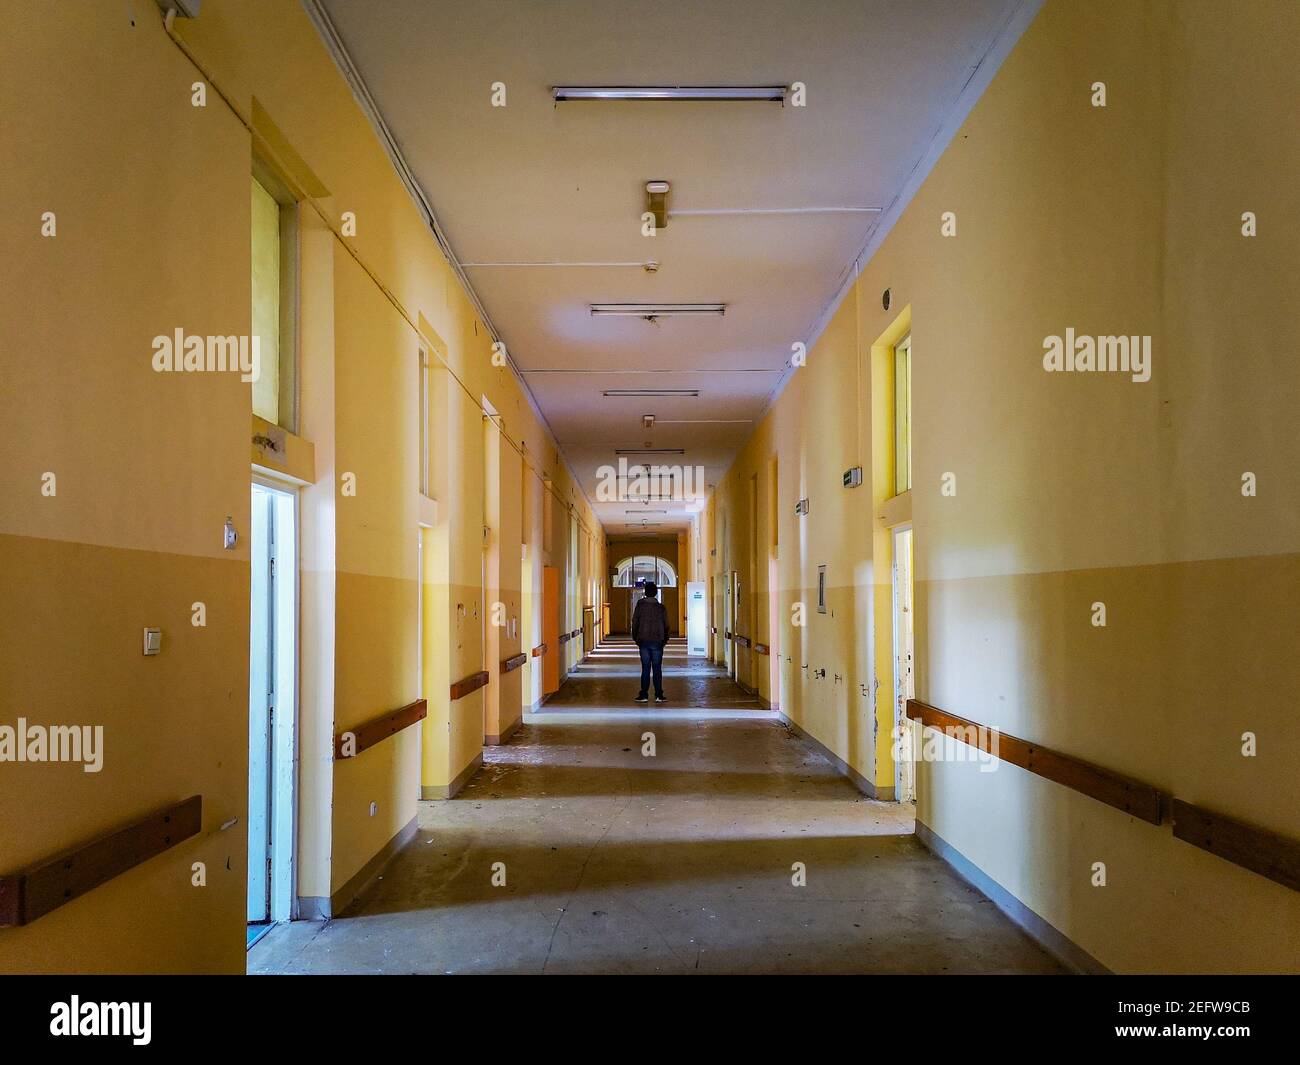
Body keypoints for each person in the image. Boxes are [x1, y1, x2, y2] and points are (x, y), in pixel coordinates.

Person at [631, 580, 669, 703]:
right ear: (656, 593)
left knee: (645, 668)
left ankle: (644, 694)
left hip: (643, 640)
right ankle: (659, 694)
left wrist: (636, 637)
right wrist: (665, 639)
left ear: (645, 593)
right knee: (657, 668)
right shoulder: (661, 608)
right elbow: (666, 624)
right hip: (658, 641)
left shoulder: (640, 606)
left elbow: (635, 622)